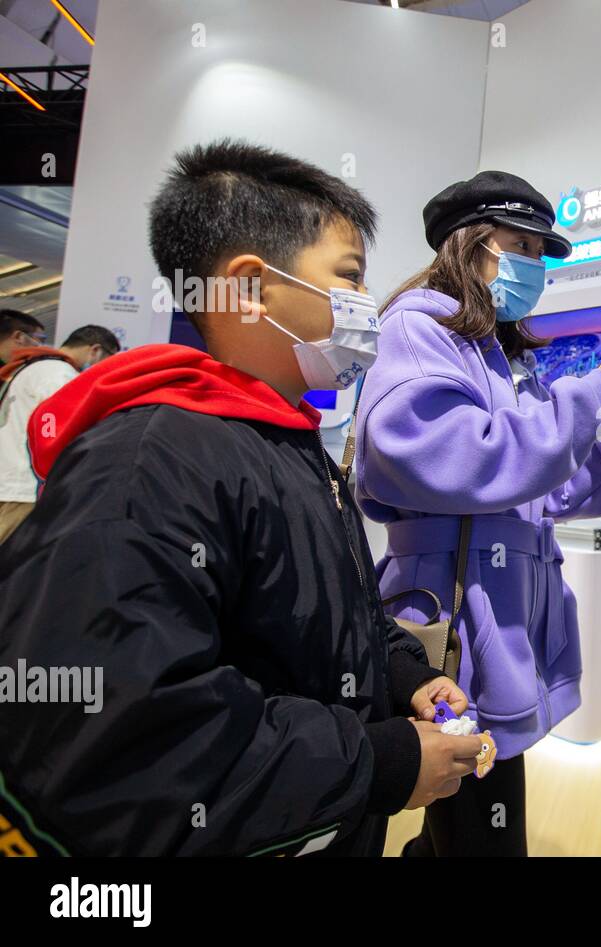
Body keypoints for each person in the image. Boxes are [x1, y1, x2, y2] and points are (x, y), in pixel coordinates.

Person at [0, 139, 483, 856]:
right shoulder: (144, 468)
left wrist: (404, 675)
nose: (366, 307)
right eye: (348, 279)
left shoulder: (287, 445)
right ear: (250, 288)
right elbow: (125, 749)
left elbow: (333, 613)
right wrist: (382, 761)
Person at [354, 170, 601, 856]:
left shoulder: (501, 358)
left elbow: (555, 491)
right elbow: (452, 456)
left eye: (542, 251)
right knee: (483, 828)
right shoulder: (419, 326)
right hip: (458, 626)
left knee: (472, 822)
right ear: (469, 244)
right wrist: (592, 395)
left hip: (506, 623)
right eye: (519, 244)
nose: (534, 264)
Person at [0, 321, 120, 543]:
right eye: (108, 359)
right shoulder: (59, 373)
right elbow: (64, 431)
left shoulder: (32, 367)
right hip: (26, 488)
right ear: (95, 350)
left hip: (12, 482)